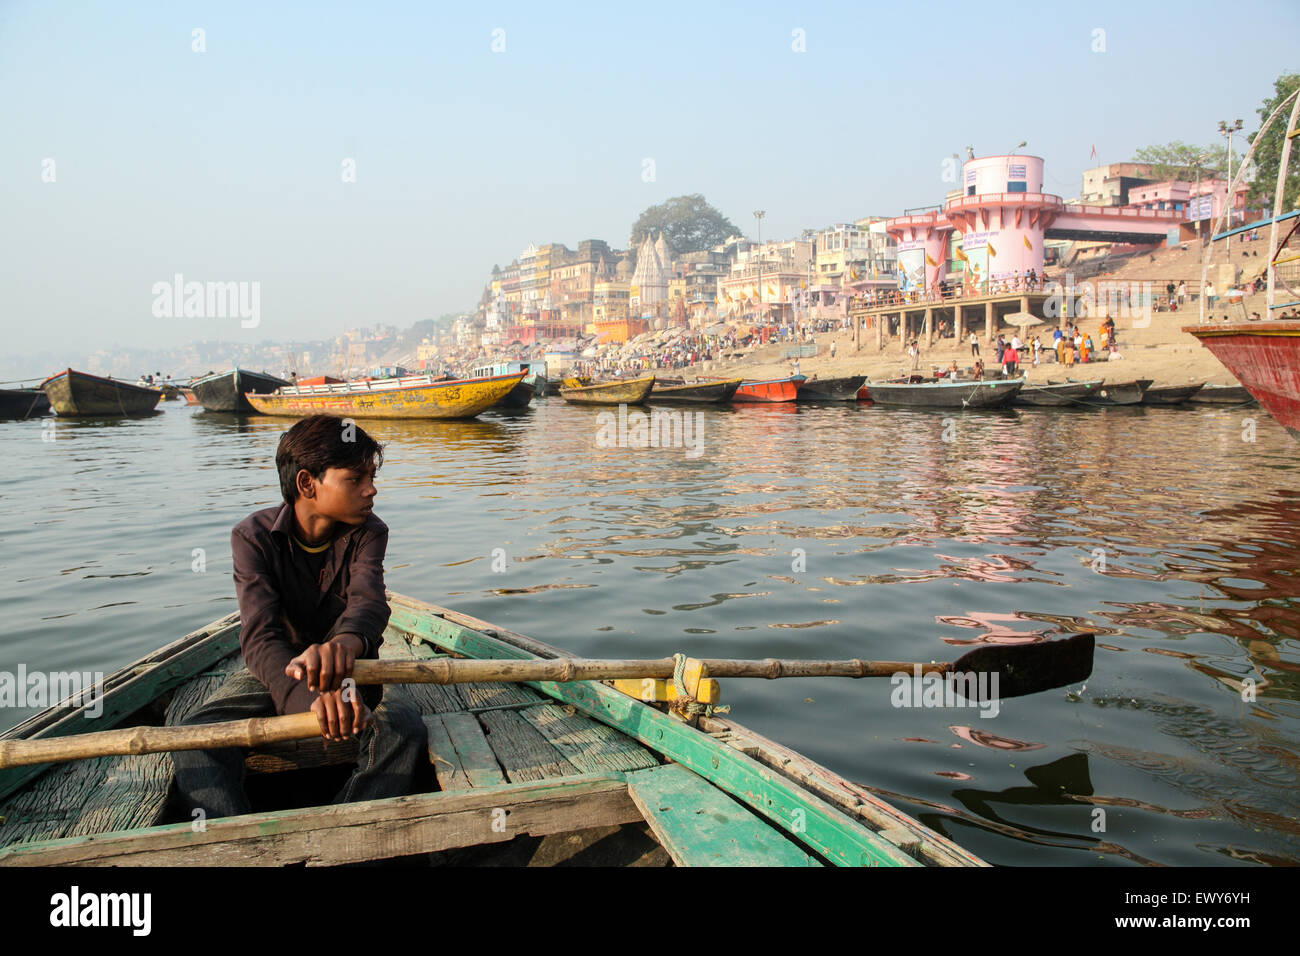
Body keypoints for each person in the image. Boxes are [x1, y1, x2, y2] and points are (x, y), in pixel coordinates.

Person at [172, 415, 427, 820]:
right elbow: (261, 638)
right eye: (357, 479)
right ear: (307, 483)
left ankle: (345, 841)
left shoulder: (369, 532)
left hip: (354, 666)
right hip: (279, 668)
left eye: (372, 477)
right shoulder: (251, 537)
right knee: (196, 736)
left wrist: (343, 649)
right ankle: (241, 852)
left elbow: (369, 602)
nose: (371, 489)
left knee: (402, 728)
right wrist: (311, 700)